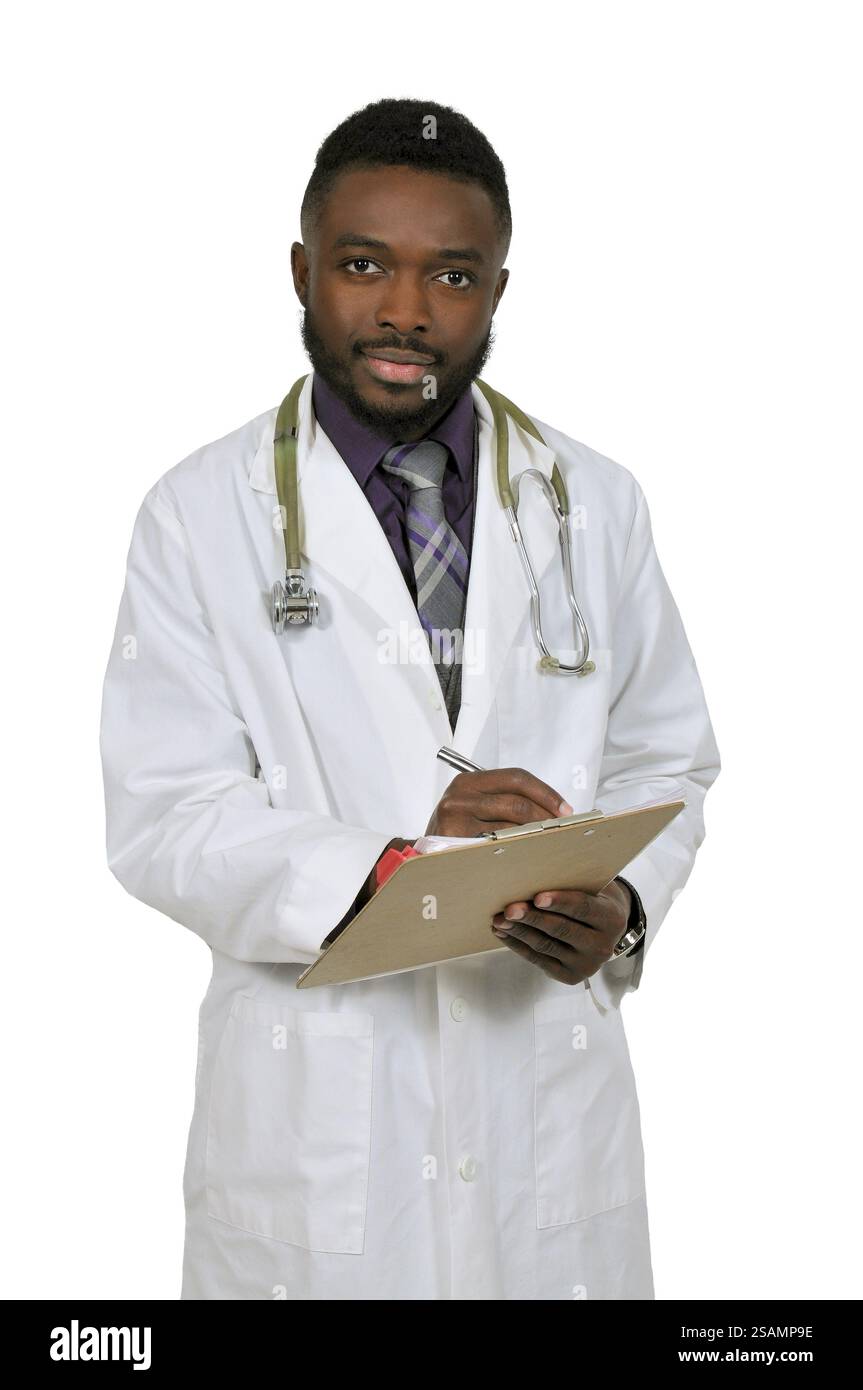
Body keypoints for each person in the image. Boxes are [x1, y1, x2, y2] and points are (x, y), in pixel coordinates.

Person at [99, 97, 721, 1301]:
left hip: (544, 1108)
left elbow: (668, 759)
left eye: (451, 275)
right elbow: (163, 816)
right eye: (362, 265)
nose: (403, 312)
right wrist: (393, 871)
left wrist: (624, 907)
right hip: (314, 1127)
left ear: (495, 290)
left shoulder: (593, 499)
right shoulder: (197, 513)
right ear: (301, 270)